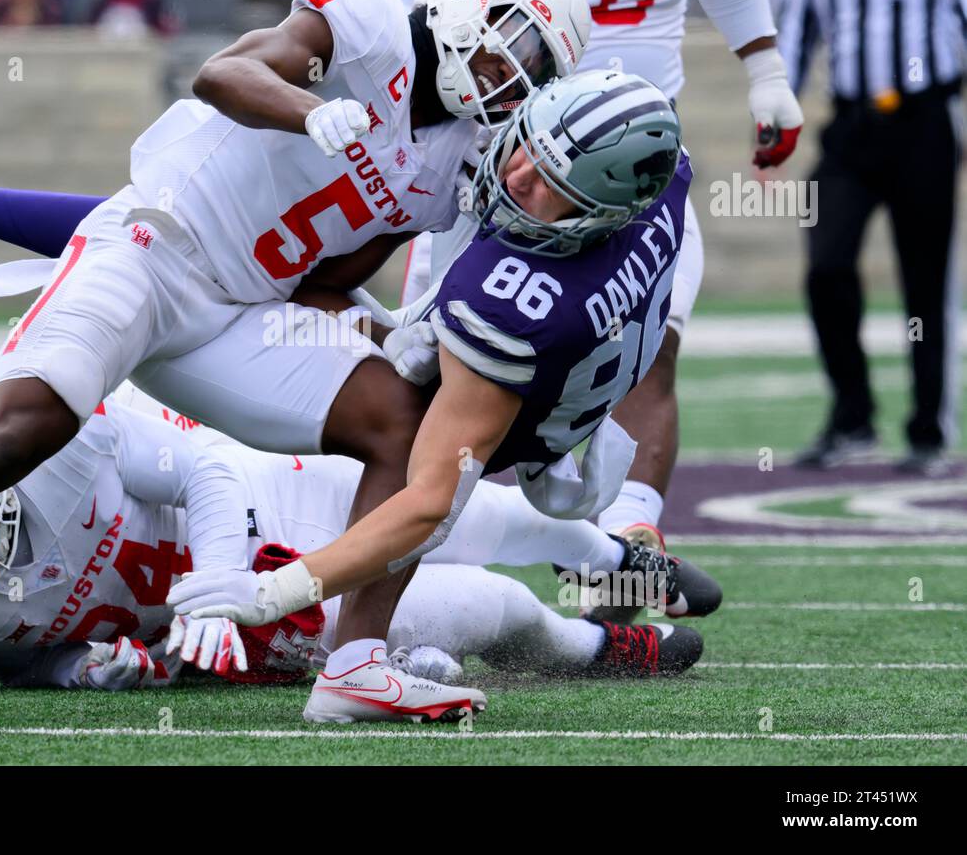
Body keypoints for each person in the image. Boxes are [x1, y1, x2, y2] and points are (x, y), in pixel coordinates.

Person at [0, 0, 591, 722]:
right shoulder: (371, 23)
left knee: (405, 425)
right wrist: (311, 114)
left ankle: (355, 665)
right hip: (155, 247)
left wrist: (382, 328)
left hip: (241, 314)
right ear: (463, 7)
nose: (511, 75)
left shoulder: (453, 161)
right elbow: (223, 73)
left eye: (537, 66)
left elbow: (326, 278)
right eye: (514, 43)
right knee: (19, 429)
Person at [0, 236, 705, 721]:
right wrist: (87, 666)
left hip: (264, 512)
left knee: (479, 512)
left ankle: (612, 554)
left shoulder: (61, 451)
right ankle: (601, 641)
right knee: (488, 606)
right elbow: (7, 650)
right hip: (250, 621)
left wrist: (222, 579)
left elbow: (208, 463)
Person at [167, 70, 722, 722]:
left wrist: (273, 592)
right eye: (530, 153)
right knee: (496, 517)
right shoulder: (657, 165)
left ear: (599, 215)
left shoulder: (512, 304)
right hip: (581, 368)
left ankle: (601, 629)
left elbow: (426, 504)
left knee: (444, 498)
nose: (518, 180)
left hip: (532, 407)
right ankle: (624, 563)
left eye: (552, 188)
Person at [383, 0, 807, 543]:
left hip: (638, 176)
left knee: (650, 349)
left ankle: (625, 553)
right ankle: (393, 570)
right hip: (505, 173)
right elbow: (389, 11)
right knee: (433, 372)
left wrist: (766, 71)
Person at [779, 0, 967, 473]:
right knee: (825, 266)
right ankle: (853, 417)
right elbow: (795, 32)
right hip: (851, 127)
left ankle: (928, 431)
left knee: (925, 284)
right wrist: (774, 118)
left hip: (924, 123)